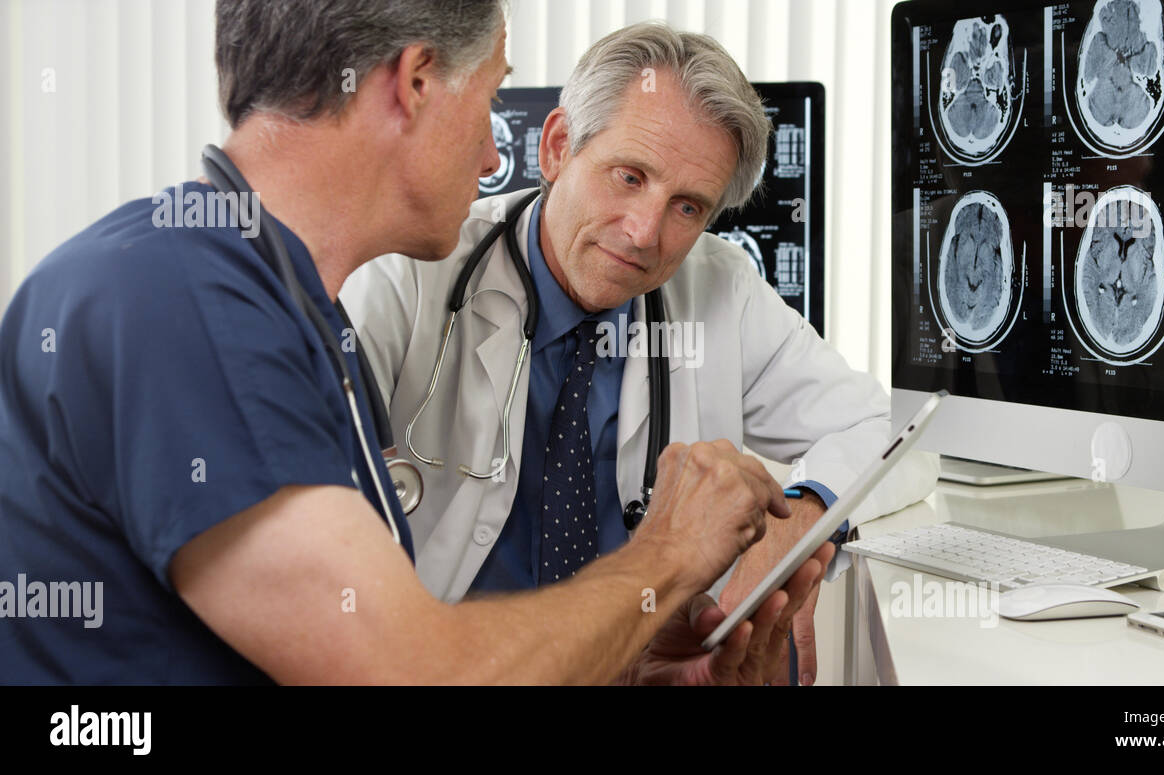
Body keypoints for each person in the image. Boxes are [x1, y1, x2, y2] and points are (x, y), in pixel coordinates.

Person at [0, 0, 828, 685]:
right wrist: (670, 553)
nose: (494, 149)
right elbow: (413, 676)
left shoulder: (284, 309)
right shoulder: (181, 303)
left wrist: (617, 649)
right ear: (416, 82)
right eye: (492, 98)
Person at [340, 21, 939, 686]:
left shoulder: (719, 287)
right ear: (559, 146)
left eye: (688, 207)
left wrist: (802, 514)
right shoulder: (407, 275)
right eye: (628, 176)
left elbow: (895, 432)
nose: (645, 232)